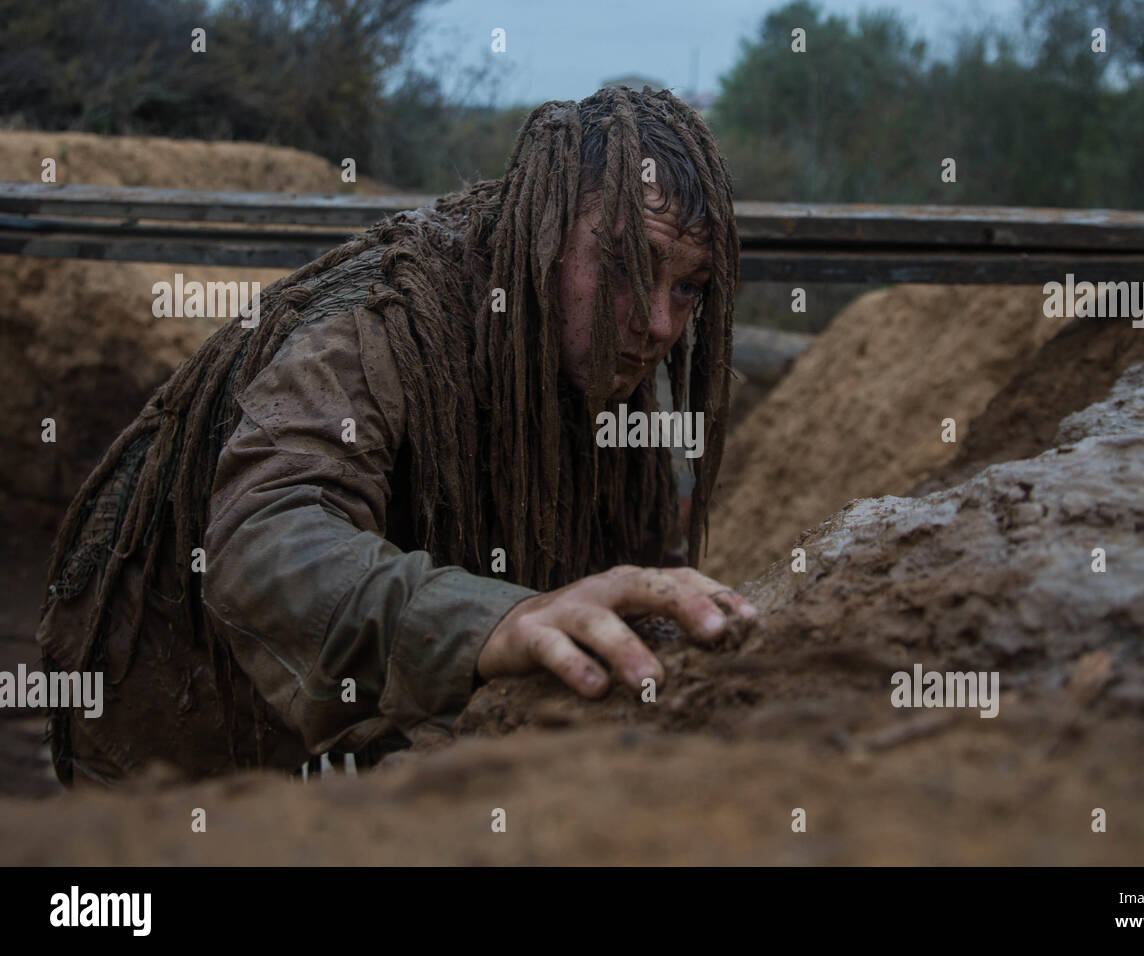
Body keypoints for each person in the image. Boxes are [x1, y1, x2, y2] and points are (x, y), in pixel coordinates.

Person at [36, 86, 751, 786]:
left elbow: (633, 573)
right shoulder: (379, 327)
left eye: (687, 289)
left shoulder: (606, 382)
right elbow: (267, 545)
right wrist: (499, 621)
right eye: (627, 266)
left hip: (336, 751)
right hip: (168, 731)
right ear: (543, 234)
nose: (659, 323)